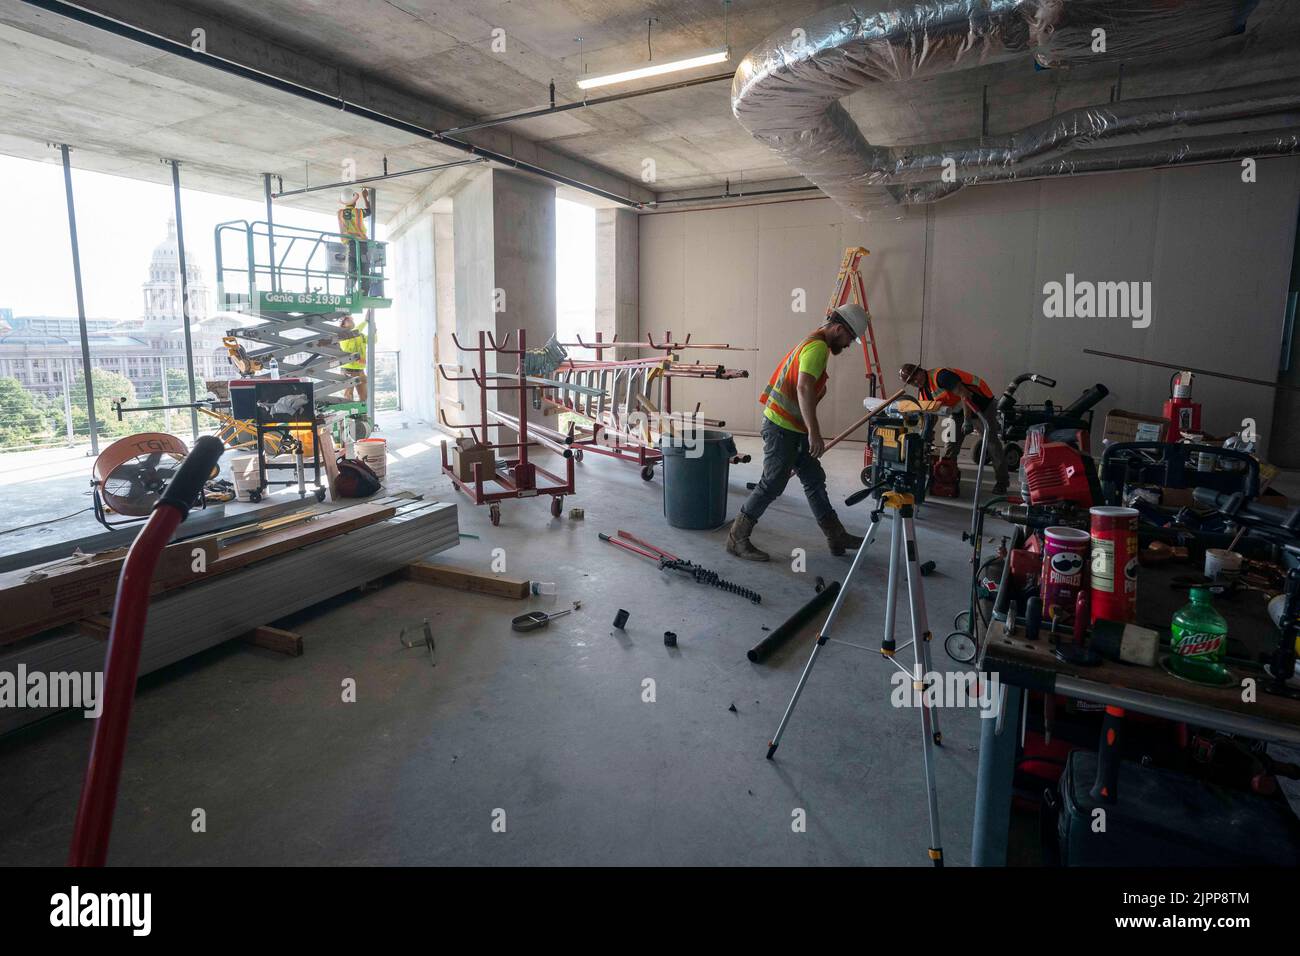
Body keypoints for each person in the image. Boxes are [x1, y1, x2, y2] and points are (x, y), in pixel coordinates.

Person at [727, 304, 872, 562]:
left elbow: (803, 389)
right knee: (772, 483)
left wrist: (807, 431)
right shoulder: (817, 348)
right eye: (850, 338)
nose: (849, 344)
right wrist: (814, 433)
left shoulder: (814, 343)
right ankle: (737, 537)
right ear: (839, 329)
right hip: (781, 428)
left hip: (792, 427)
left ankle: (835, 535)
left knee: (814, 478)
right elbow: (804, 388)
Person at [898, 363, 1008, 494]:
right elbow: (931, 416)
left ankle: (1002, 482)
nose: (915, 382)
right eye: (910, 381)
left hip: (981, 405)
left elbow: (965, 394)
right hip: (959, 411)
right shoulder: (923, 393)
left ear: (920, 371)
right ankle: (948, 477)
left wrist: (967, 420)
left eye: (914, 377)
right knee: (951, 444)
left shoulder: (941, 376)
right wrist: (924, 434)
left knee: (990, 442)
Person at [338, 190, 372, 295]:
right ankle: (364, 291)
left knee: (352, 269)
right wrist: (365, 197)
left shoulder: (340, 214)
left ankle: (350, 291)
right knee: (364, 267)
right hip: (361, 244)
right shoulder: (358, 212)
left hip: (350, 245)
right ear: (354, 201)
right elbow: (369, 211)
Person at [339, 313, 368, 402]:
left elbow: (373, 340)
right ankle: (350, 415)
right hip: (348, 370)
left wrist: (374, 332)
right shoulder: (343, 335)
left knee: (364, 395)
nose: (352, 321)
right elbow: (354, 332)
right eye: (348, 320)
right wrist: (365, 322)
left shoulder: (360, 335)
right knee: (348, 396)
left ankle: (363, 415)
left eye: (352, 319)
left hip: (360, 370)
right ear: (343, 325)